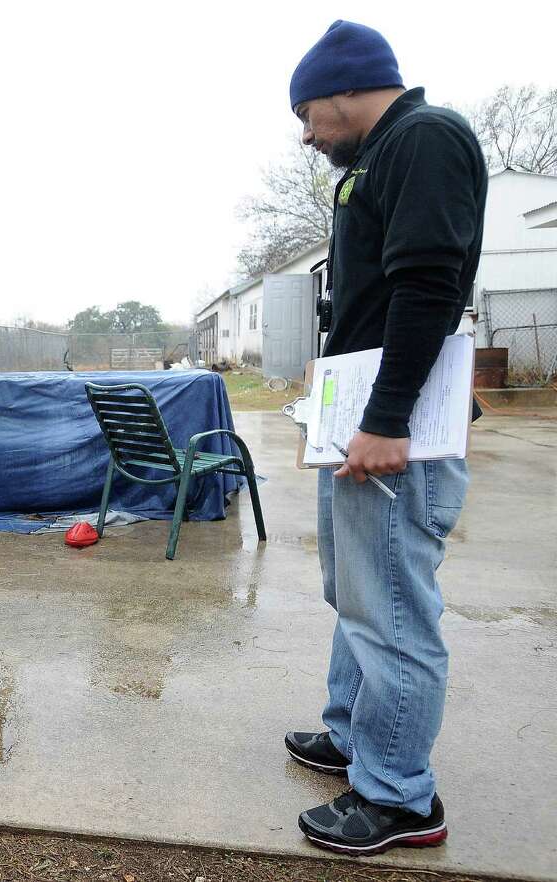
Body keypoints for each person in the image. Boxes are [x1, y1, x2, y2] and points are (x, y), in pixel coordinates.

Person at [282, 21, 486, 855]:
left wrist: (385, 420)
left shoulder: (424, 139)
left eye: (308, 115)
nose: (306, 133)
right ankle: (354, 736)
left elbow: (429, 285)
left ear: (342, 90)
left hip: (394, 430)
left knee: (394, 610)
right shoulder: (378, 156)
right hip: (360, 418)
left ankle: (401, 798)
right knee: (356, 594)